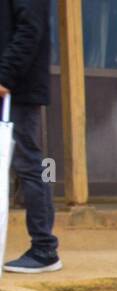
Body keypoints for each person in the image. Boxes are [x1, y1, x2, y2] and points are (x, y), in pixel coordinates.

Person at [0, 0, 61, 273]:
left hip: (17, 91)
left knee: (28, 166)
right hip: (10, 87)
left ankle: (44, 248)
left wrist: (5, 77)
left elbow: (30, 30)